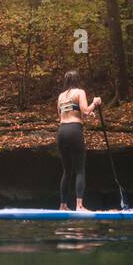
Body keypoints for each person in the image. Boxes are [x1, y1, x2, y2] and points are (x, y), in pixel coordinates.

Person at [56, 71, 101, 211]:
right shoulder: (80, 92)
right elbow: (86, 110)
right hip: (74, 130)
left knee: (67, 170)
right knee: (80, 169)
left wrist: (86, 112)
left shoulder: (61, 96)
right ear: (77, 80)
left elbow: (62, 114)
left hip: (61, 131)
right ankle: (79, 206)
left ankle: (63, 205)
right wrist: (95, 103)